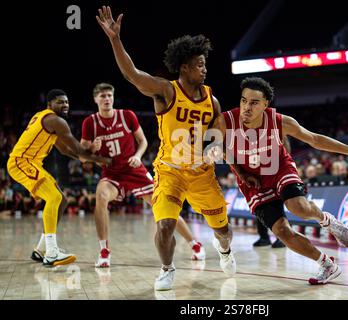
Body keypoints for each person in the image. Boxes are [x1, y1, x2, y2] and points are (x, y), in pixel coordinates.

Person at [96, 6, 235, 290]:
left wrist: (216, 147)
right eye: (199, 64)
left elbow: (219, 132)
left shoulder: (212, 100)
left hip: (201, 175)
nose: (205, 68)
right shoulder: (166, 90)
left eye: (205, 63)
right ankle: (167, 268)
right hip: (169, 171)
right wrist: (115, 40)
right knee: (165, 225)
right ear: (184, 66)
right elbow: (133, 75)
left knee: (223, 231)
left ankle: (223, 249)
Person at [207, 77, 348, 284]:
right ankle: (326, 264)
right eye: (243, 101)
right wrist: (240, 173)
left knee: (299, 208)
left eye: (254, 103)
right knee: (282, 232)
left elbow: (314, 139)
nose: (246, 108)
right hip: (252, 182)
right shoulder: (225, 122)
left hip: (279, 168)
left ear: (266, 104)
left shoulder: (280, 121)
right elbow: (219, 148)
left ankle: (327, 220)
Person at [81, 83, 205, 268]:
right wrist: (92, 148)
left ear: (113, 97)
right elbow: (83, 158)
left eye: (109, 95)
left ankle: (194, 244)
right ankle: (104, 251)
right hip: (112, 174)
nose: (106, 99)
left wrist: (138, 156)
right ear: (95, 99)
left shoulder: (127, 115)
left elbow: (143, 141)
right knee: (101, 196)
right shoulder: (90, 123)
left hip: (134, 170)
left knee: (164, 208)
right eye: (102, 96)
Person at [7, 89, 111, 266]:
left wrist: (84, 159)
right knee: (54, 197)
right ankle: (52, 252)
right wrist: (98, 158)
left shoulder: (47, 120)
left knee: (62, 200)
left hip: (31, 163)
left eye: (67, 102)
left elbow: (64, 149)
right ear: (50, 104)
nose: (65, 105)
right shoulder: (55, 120)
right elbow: (78, 149)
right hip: (22, 162)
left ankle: (41, 249)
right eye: (60, 102)